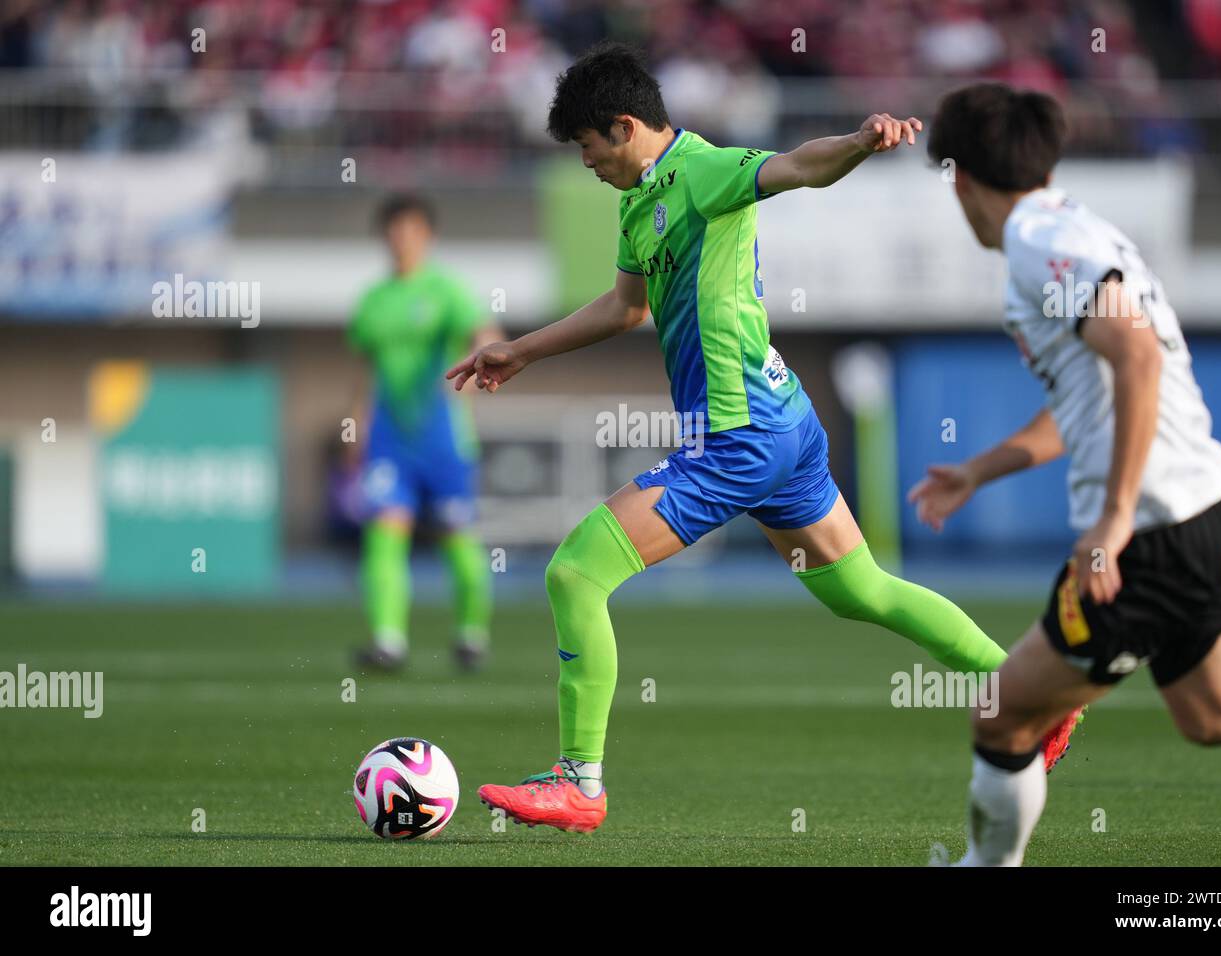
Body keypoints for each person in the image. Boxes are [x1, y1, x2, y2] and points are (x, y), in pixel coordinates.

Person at [454, 43, 1074, 834]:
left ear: (624, 125)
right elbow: (625, 309)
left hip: (740, 433)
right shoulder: (637, 203)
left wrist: (856, 143)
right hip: (782, 424)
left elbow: (795, 168)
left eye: (586, 147)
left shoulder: (702, 171)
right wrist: (522, 350)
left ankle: (581, 783)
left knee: (575, 574)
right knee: (862, 591)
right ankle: (1032, 693)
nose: (585, 165)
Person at [912, 82, 1221, 866]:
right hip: (1196, 505)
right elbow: (1090, 395)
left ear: (958, 178)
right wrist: (978, 472)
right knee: (1217, 715)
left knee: (1001, 717)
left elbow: (1135, 352)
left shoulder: (1035, 241)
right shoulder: (1075, 228)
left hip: (1150, 528)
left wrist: (1114, 519)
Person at [348, 194, 500, 673]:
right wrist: (355, 422)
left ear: (427, 236)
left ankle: (471, 635)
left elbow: (485, 333)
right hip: (391, 438)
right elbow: (368, 370)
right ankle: (388, 641)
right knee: (384, 535)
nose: (402, 240)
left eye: (411, 230)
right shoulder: (373, 301)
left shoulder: (447, 290)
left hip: (444, 439)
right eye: (394, 231)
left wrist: (480, 366)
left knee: (458, 539)